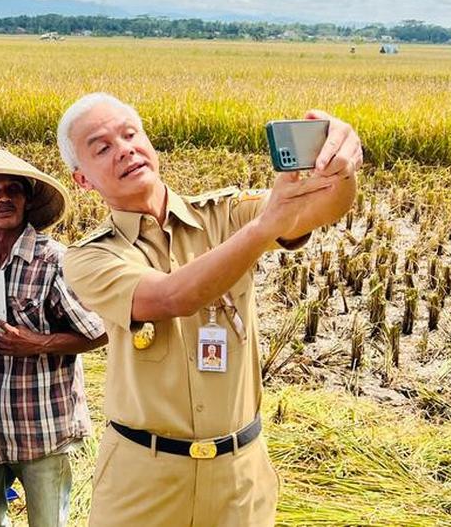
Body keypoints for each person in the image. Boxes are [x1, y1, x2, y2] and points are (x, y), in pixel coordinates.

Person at [58, 93, 362, 527]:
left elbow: (317, 209)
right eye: (102, 147)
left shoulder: (225, 213)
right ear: (82, 179)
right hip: (141, 479)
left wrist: (341, 169)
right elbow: (170, 298)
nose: (124, 150)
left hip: (240, 478)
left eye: (130, 134)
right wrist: (263, 229)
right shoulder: (89, 257)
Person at [0, 149, 106, 527]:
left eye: (13, 190)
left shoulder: (53, 260)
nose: (3, 198)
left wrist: (37, 343)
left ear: (27, 201)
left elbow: (100, 331)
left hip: (42, 427)